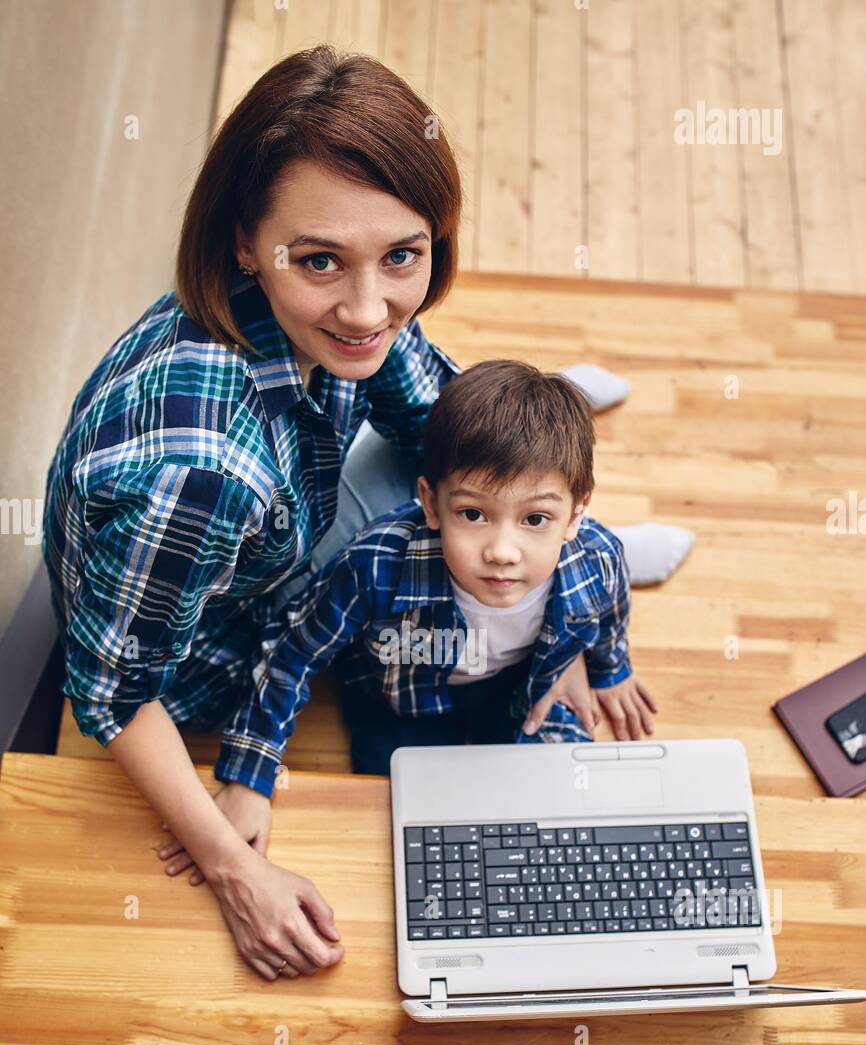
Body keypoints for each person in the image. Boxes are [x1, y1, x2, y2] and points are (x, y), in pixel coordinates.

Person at [42, 45, 685, 984]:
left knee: (480, 466)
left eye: (403, 256)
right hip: (226, 621)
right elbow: (107, 692)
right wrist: (235, 871)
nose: (368, 306)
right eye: (319, 262)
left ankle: (563, 467)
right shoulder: (203, 477)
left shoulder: (330, 306)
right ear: (241, 239)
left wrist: (567, 570)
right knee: (453, 533)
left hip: (293, 496)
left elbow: (433, 411)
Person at [204, 359, 655, 805]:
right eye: (473, 514)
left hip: (520, 682)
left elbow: (610, 612)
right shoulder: (376, 564)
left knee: (555, 792)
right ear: (431, 504)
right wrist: (250, 776)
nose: (502, 551)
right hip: (398, 698)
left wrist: (610, 668)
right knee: (404, 810)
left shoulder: (597, 556)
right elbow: (291, 652)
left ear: (577, 515)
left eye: (535, 519)